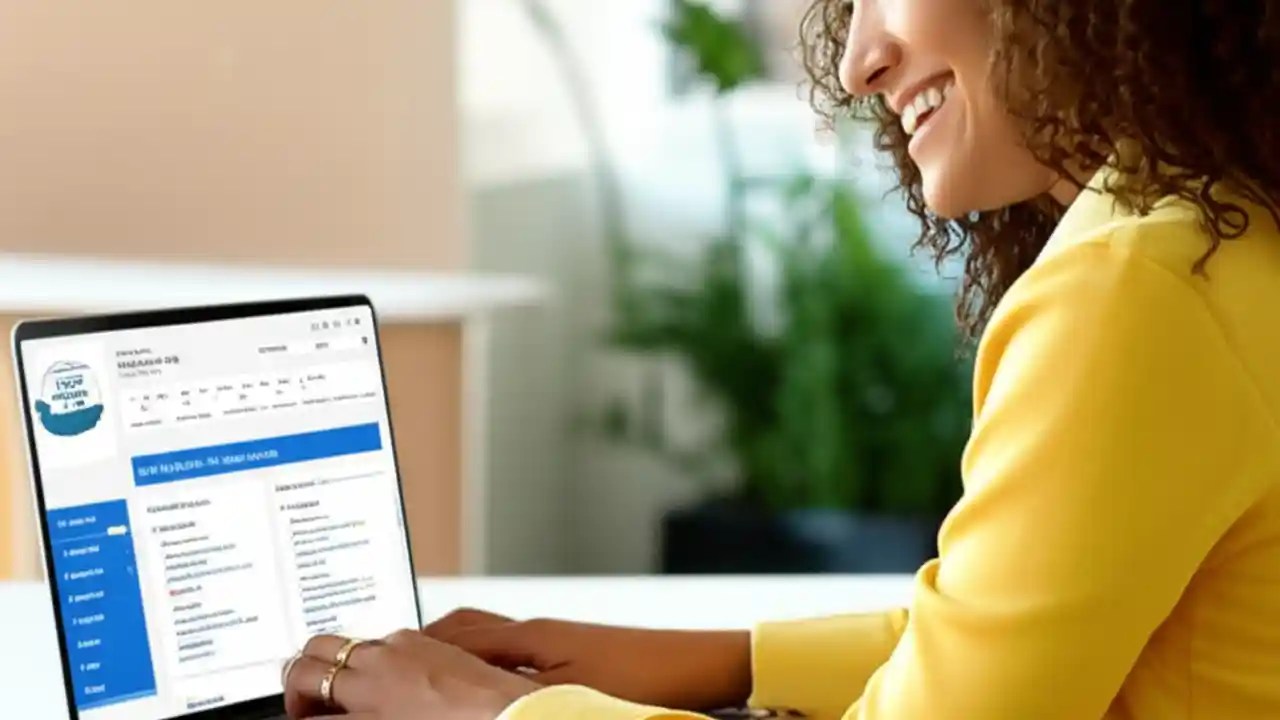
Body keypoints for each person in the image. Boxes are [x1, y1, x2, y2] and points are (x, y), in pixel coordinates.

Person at [281, 0, 1280, 718]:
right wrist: (713, 663)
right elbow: (1002, 645)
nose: (856, 62)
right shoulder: (1221, 230)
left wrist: (489, 715)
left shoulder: (1134, 289)